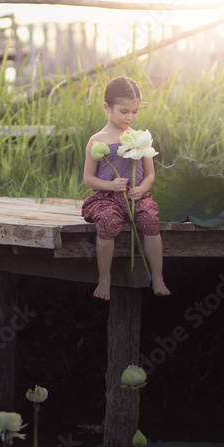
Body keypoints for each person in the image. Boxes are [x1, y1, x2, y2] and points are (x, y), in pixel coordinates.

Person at [81, 76, 170, 300]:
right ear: (107, 108)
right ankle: (105, 278)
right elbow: (88, 179)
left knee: (150, 218)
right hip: (107, 198)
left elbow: (150, 174)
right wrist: (110, 185)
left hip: (135, 197)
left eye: (135, 111)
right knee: (109, 222)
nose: (130, 117)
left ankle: (157, 276)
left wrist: (141, 189)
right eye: (124, 111)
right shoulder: (97, 140)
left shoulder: (139, 138)